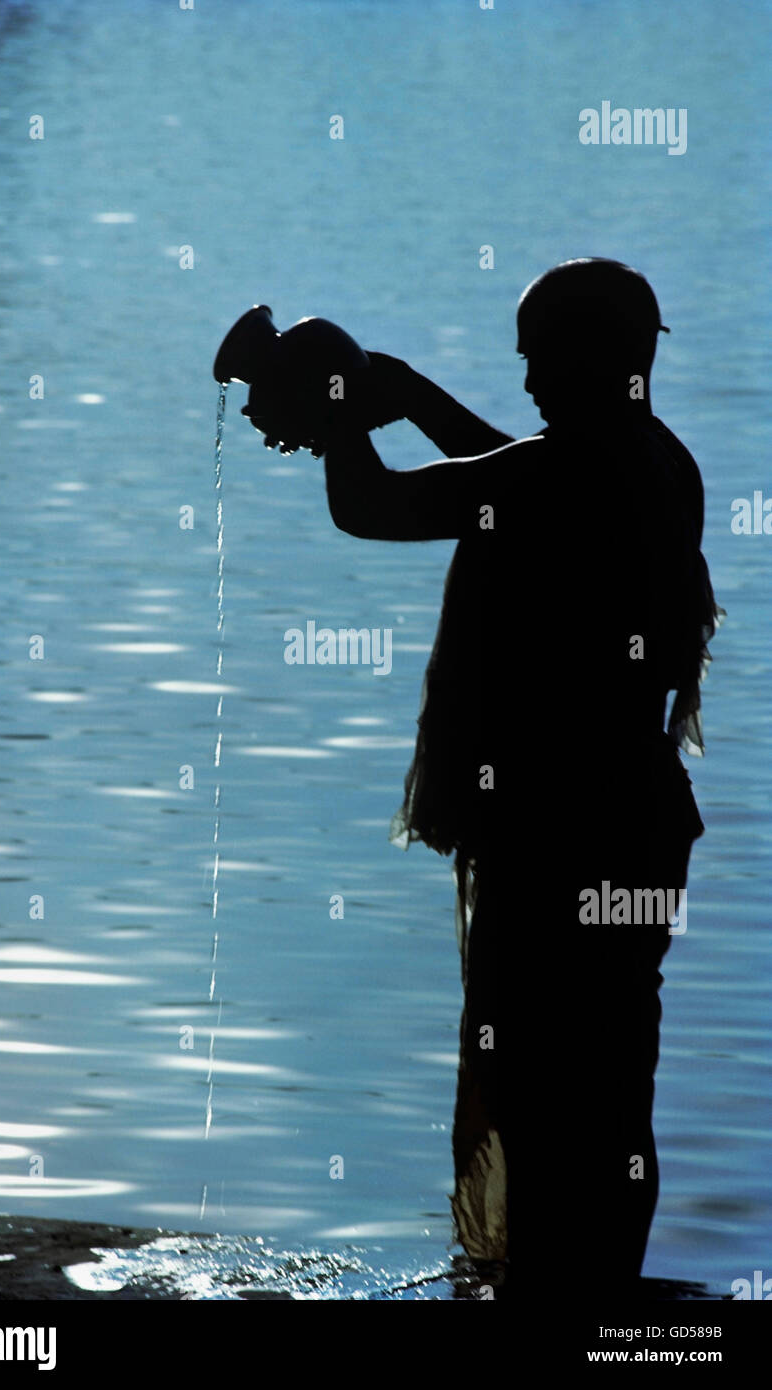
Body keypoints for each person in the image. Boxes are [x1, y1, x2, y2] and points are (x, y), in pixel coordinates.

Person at [241, 258, 722, 1292]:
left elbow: (373, 508)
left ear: (600, 356)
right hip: (632, 820)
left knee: (543, 1081)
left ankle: (551, 1287)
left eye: (542, 357)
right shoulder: (652, 458)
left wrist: (338, 416)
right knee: (607, 1079)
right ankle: (599, 1291)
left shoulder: (561, 471)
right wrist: (404, 390)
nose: (528, 374)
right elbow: (510, 476)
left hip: (560, 834)